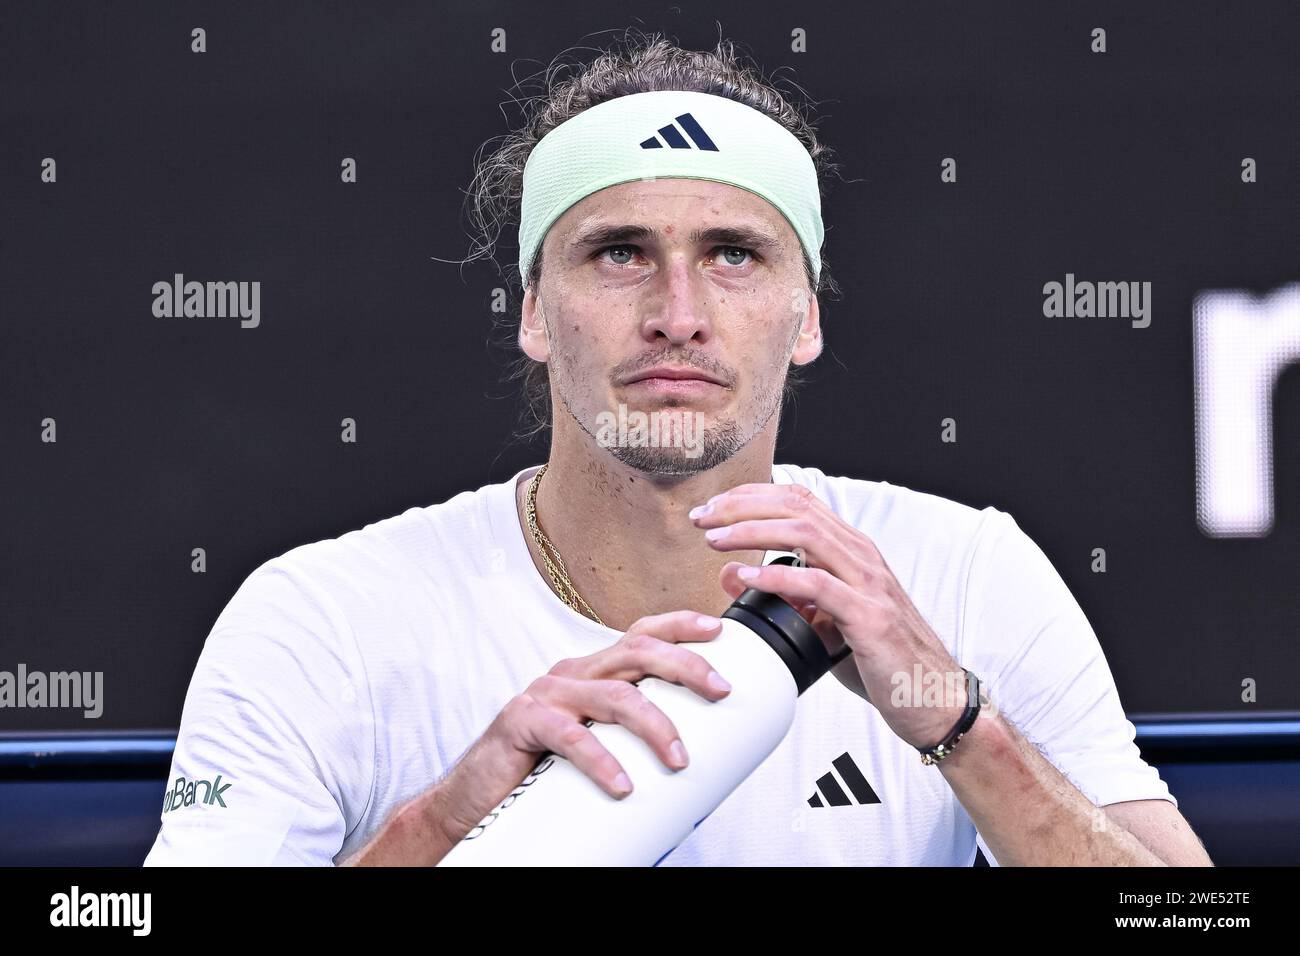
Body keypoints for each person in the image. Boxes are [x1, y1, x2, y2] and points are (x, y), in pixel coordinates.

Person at [143, 33, 1211, 867]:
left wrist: (959, 723)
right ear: (531, 311)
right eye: (618, 253)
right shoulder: (321, 615)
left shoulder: (964, 571)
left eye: (734, 254)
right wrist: (443, 818)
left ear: (805, 318)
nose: (678, 312)